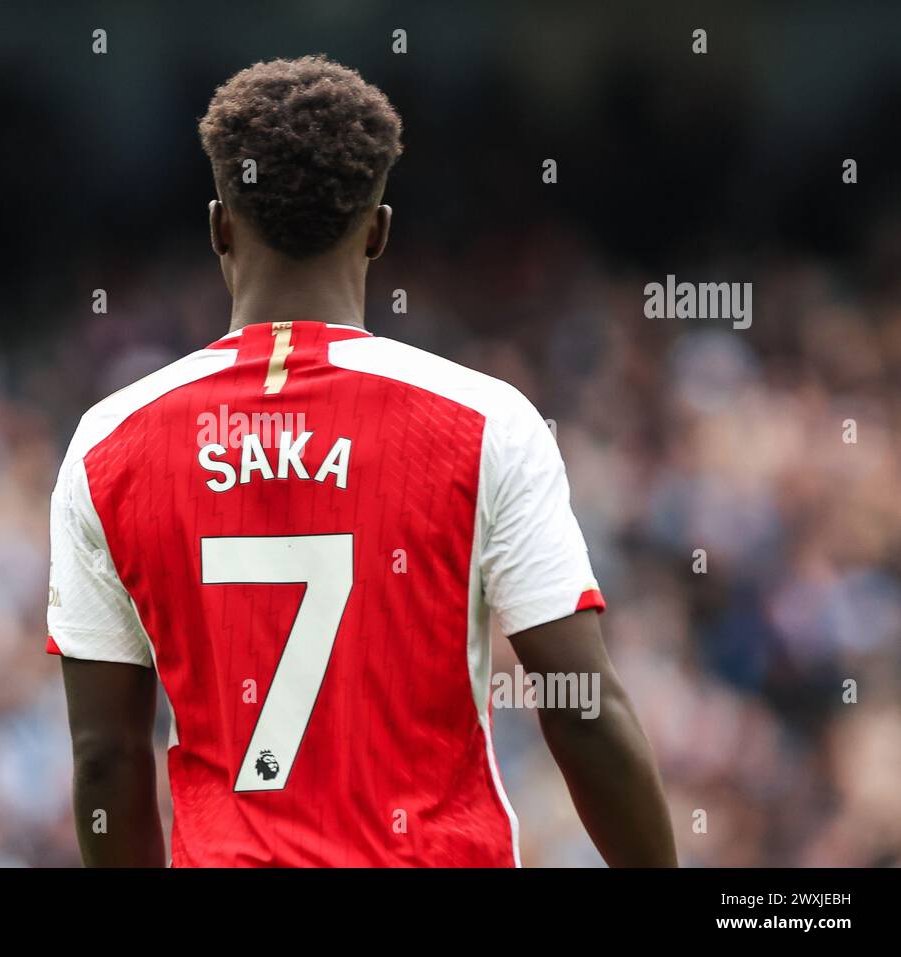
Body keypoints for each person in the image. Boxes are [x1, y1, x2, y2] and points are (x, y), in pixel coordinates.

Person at [48, 55, 676, 867]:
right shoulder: (485, 422)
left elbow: (106, 756)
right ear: (379, 232)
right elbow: (581, 708)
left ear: (219, 227)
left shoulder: (111, 443)